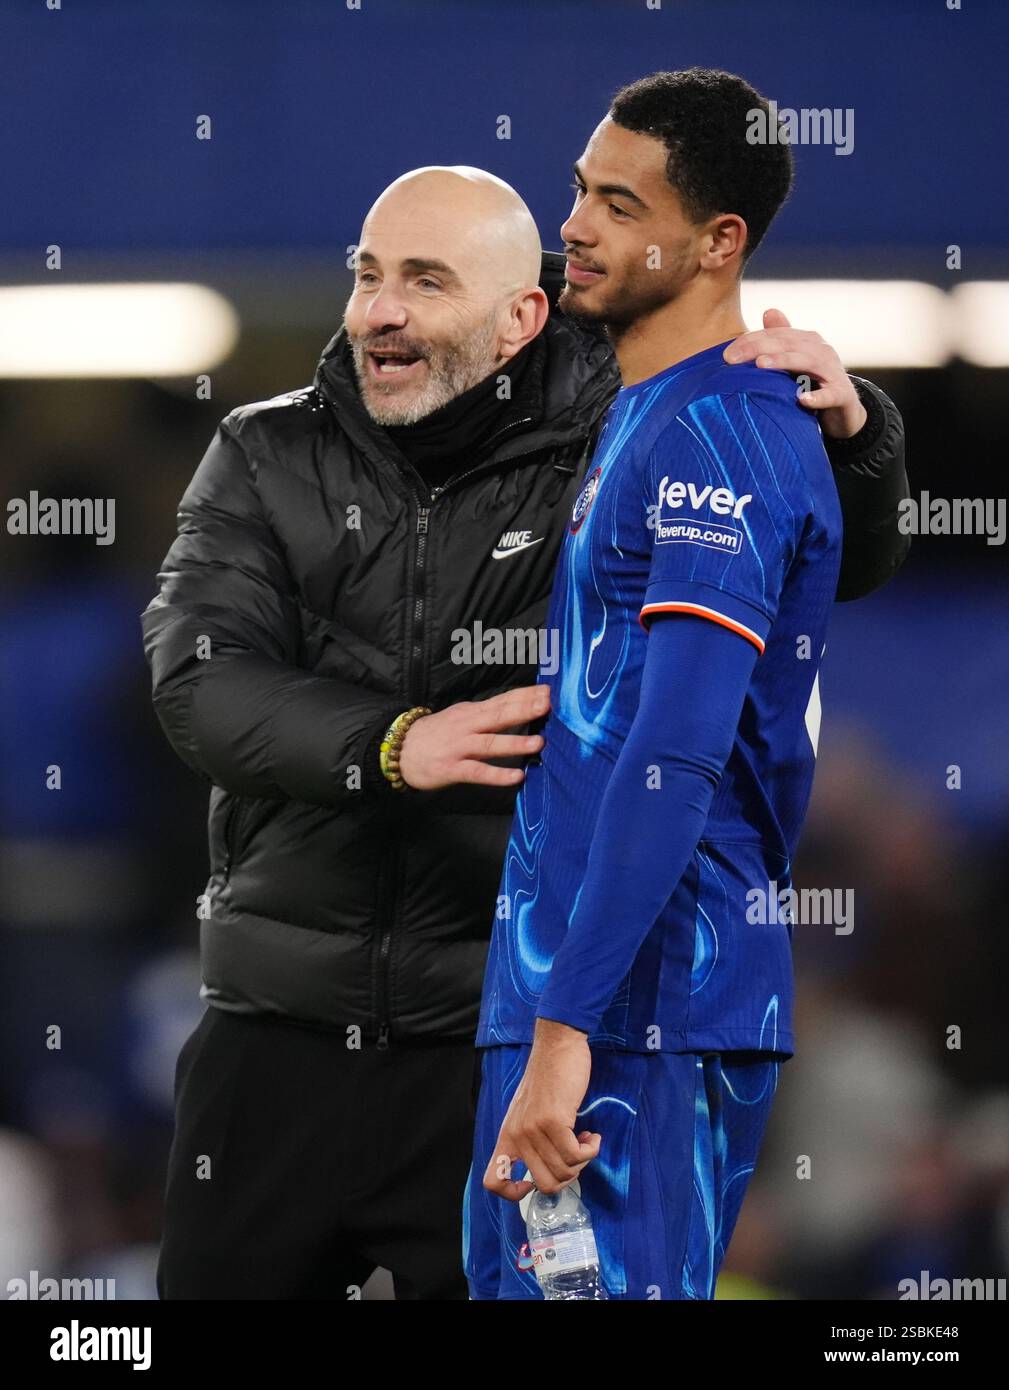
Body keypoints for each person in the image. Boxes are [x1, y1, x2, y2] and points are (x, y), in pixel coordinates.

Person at [142, 155, 908, 1298]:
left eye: (423, 280)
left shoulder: (626, 433)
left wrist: (855, 437)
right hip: (274, 1032)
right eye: (366, 275)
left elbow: (814, 557)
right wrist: (393, 746)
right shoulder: (264, 448)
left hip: (495, 1036)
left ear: (520, 317)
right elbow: (196, 680)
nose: (379, 309)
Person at [466, 68, 872, 1300]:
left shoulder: (724, 436)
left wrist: (563, 1031)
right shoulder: (648, 414)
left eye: (616, 203)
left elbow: (676, 753)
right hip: (578, 994)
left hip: (642, 1011)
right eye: (578, 191)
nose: (575, 225)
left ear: (715, 243)